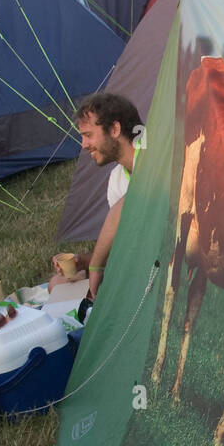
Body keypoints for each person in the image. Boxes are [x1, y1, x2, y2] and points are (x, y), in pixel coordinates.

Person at [74, 93, 143, 301]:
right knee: (56, 284)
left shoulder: (154, 154)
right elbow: (124, 242)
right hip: (141, 264)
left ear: (114, 129)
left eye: (88, 135)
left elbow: (133, 202)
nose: (84, 145)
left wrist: (96, 266)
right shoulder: (116, 179)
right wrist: (85, 262)